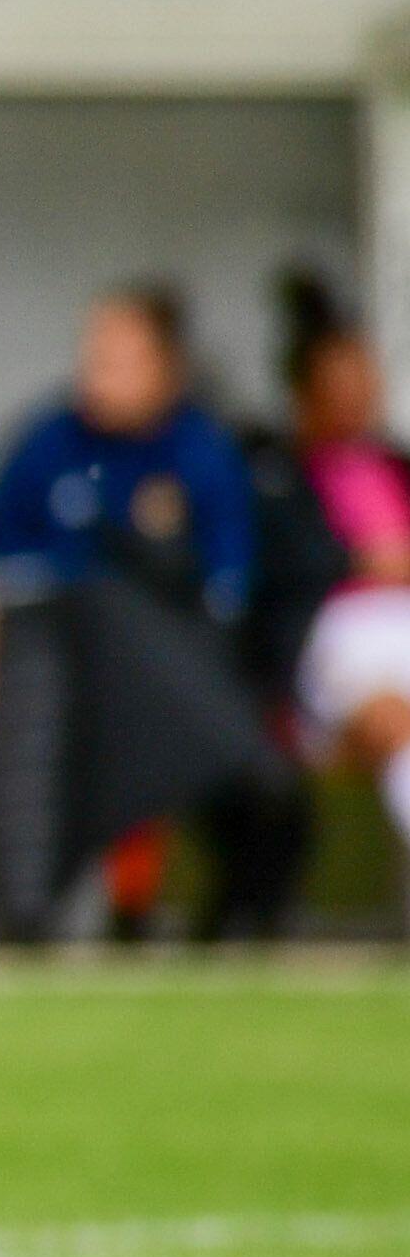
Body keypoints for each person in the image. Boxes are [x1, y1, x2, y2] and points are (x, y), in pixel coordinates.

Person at [0, 285, 305, 942]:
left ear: (167, 368)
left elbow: (226, 590)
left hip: (175, 672)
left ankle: (223, 921)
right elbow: (9, 576)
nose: (98, 375)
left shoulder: (202, 451)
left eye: (121, 359)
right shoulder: (45, 446)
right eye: (93, 356)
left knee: (252, 771)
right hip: (65, 679)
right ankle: (48, 907)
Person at [269, 273, 410, 918]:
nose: (358, 394)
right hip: (338, 640)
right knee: (393, 719)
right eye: (340, 381)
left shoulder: (396, 464)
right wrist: (362, 559)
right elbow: (280, 574)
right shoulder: (278, 474)